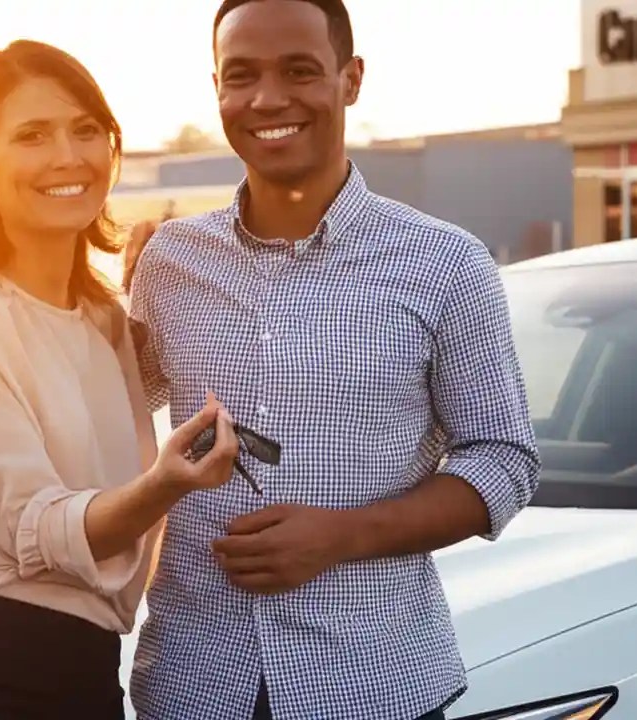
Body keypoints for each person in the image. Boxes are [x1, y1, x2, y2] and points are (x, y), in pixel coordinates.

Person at [123, 1, 541, 719]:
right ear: (217, 87)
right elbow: (112, 411)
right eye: (241, 75)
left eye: (299, 71)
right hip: (191, 686)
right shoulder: (169, 261)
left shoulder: (446, 264)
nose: (267, 99)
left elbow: (505, 460)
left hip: (372, 688)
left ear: (350, 79)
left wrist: (341, 537)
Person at [0, 39, 242, 720]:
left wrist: (190, 268)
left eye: (85, 130)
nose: (68, 157)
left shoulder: (104, 319)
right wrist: (162, 485)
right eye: (32, 135)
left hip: (88, 677)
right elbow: (42, 530)